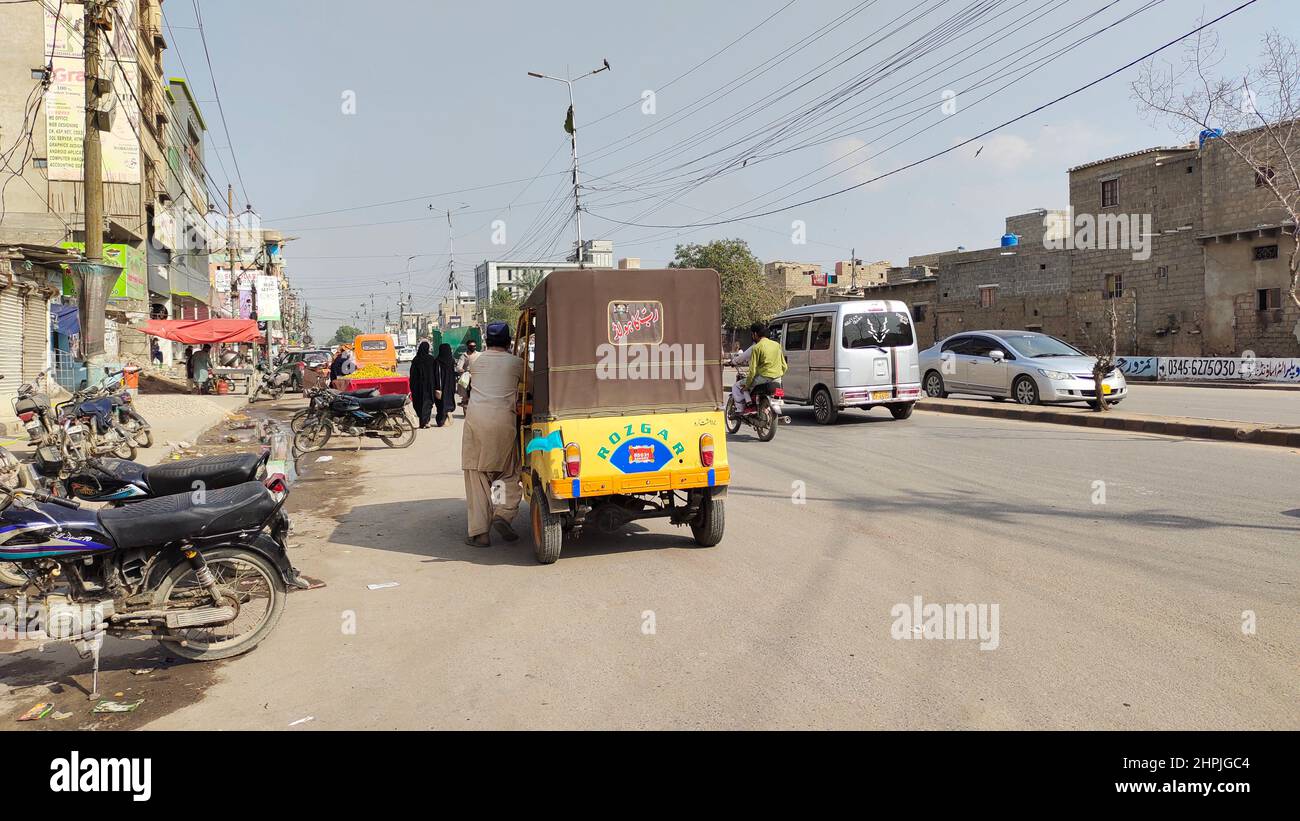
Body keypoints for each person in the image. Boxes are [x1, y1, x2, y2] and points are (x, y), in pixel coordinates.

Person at [461, 322, 525, 547]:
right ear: (508, 342)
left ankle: (480, 534)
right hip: (503, 424)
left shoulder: (474, 360)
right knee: (506, 474)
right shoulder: (518, 363)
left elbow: (463, 385)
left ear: (486, 341)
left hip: (475, 424)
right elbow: (532, 389)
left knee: (477, 478)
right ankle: (502, 513)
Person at [742, 321, 786, 410]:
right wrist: (778, 375)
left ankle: (745, 407)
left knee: (739, 385)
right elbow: (784, 366)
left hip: (763, 379)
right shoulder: (777, 345)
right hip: (778, 379)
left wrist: (747, 386)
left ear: (755, 334)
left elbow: (752, 371)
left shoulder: (756, 347)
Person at [408, 341, 437, 428]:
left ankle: (423, 421)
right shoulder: (431, 359)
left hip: (417, 386)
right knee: (428, 403)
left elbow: (412, 374)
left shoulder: (416, 360)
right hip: (429, 385)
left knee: (419, 403)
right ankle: (425, 421)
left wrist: (412, 385)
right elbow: (435, 373)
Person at [432, 343, 458, 427]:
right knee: (448, 400)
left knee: (440, 403)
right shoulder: (452, 360)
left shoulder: (438, 361)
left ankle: (442, 420)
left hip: (442, 386)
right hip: (450, 386)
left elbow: (437, 375)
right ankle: (448, 413)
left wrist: (438, 388)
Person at [455, 339, 479, 409]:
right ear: (468, 346)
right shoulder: (464, 356)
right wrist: (462, 370)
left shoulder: (479, 355)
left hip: (477, 378)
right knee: (465, 399)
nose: (473, 347)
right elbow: (459, 367)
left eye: (474, 346)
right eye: (471, 346)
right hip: (467, 379)